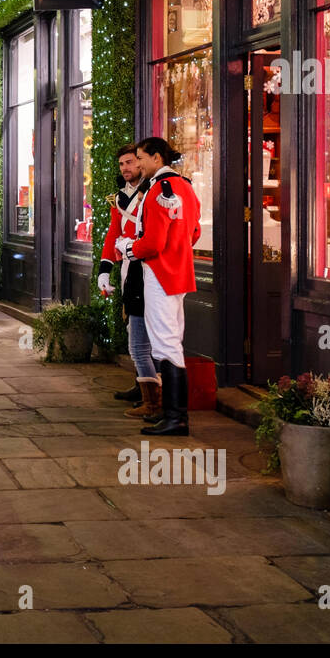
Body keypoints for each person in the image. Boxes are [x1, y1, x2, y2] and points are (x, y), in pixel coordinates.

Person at [116, 136, 201, 436]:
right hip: (180, 273)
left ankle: (176, 418)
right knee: (172, 341)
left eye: (140, 157)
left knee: (165, 345)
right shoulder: (187, 187)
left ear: (156, 158)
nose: (137, 164)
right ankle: (171, 413)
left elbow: (152, 243)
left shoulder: (157, 191)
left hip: (159, 273)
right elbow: (194, 232)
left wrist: (128, 249)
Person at [96, 144, 156, 416]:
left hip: (151, 266)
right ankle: (142, 384)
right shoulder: (120, 197)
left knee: (150, 334)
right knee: (135, 329)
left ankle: (155, 395)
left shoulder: (153, 191)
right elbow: (112, 234)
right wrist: (104, 269)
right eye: (122, 164)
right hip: (128, 267)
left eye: (131, 162)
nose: (126, 168)